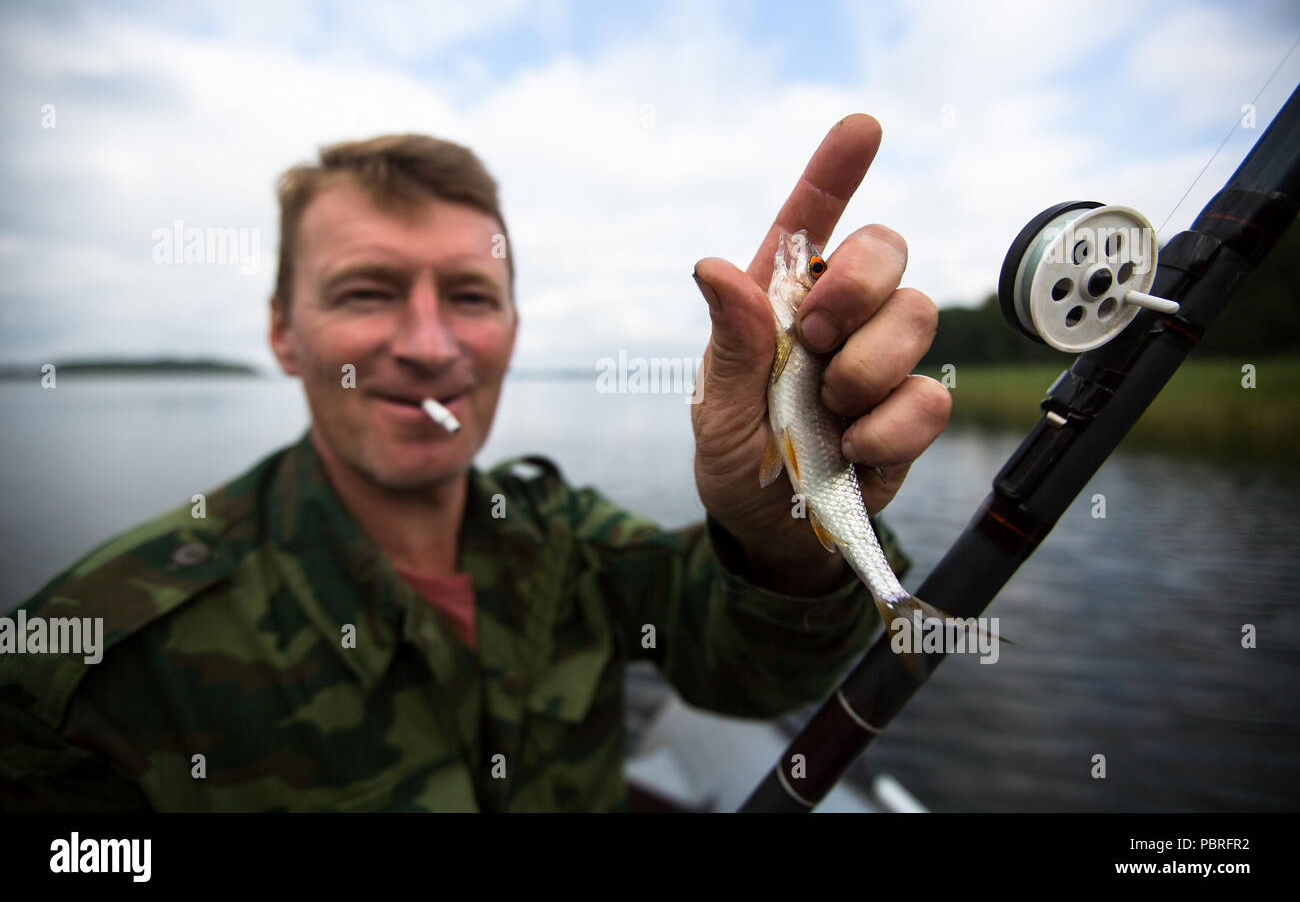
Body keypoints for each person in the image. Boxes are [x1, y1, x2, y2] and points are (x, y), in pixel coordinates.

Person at [0, 115, 950, 811]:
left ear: (510, 332)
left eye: (468, 295)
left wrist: (782, 526)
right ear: (283, 334)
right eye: (367, 290)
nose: (426, 344)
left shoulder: (566, 538)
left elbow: (749, 672)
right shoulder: (83, 660)